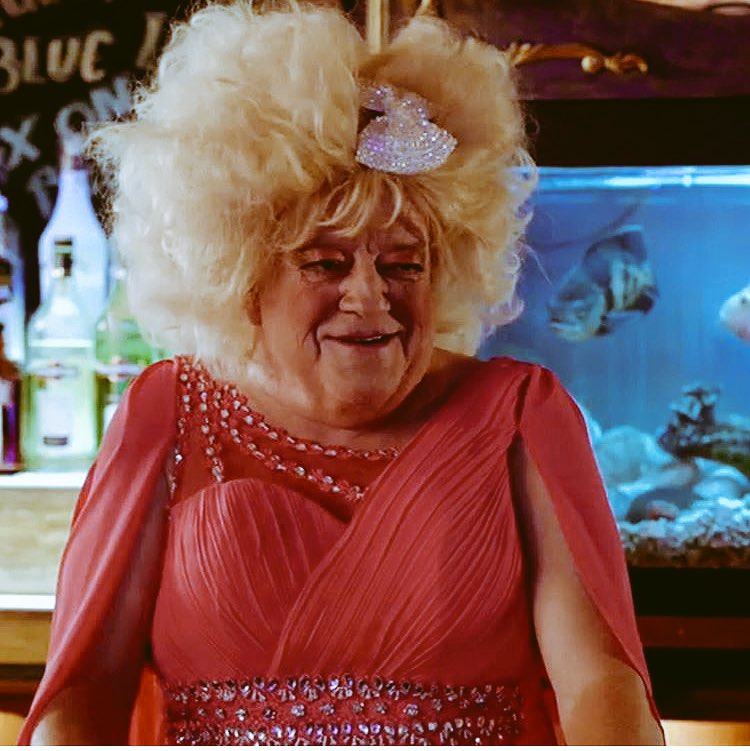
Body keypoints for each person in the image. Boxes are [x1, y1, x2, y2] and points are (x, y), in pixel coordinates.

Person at [19, 0, 665, 745]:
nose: (370, 296)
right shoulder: (165, 408)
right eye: (325, 263)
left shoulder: (521, 412)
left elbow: (601, 682)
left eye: (404, 264)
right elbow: (83, 690)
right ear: (243, 275)